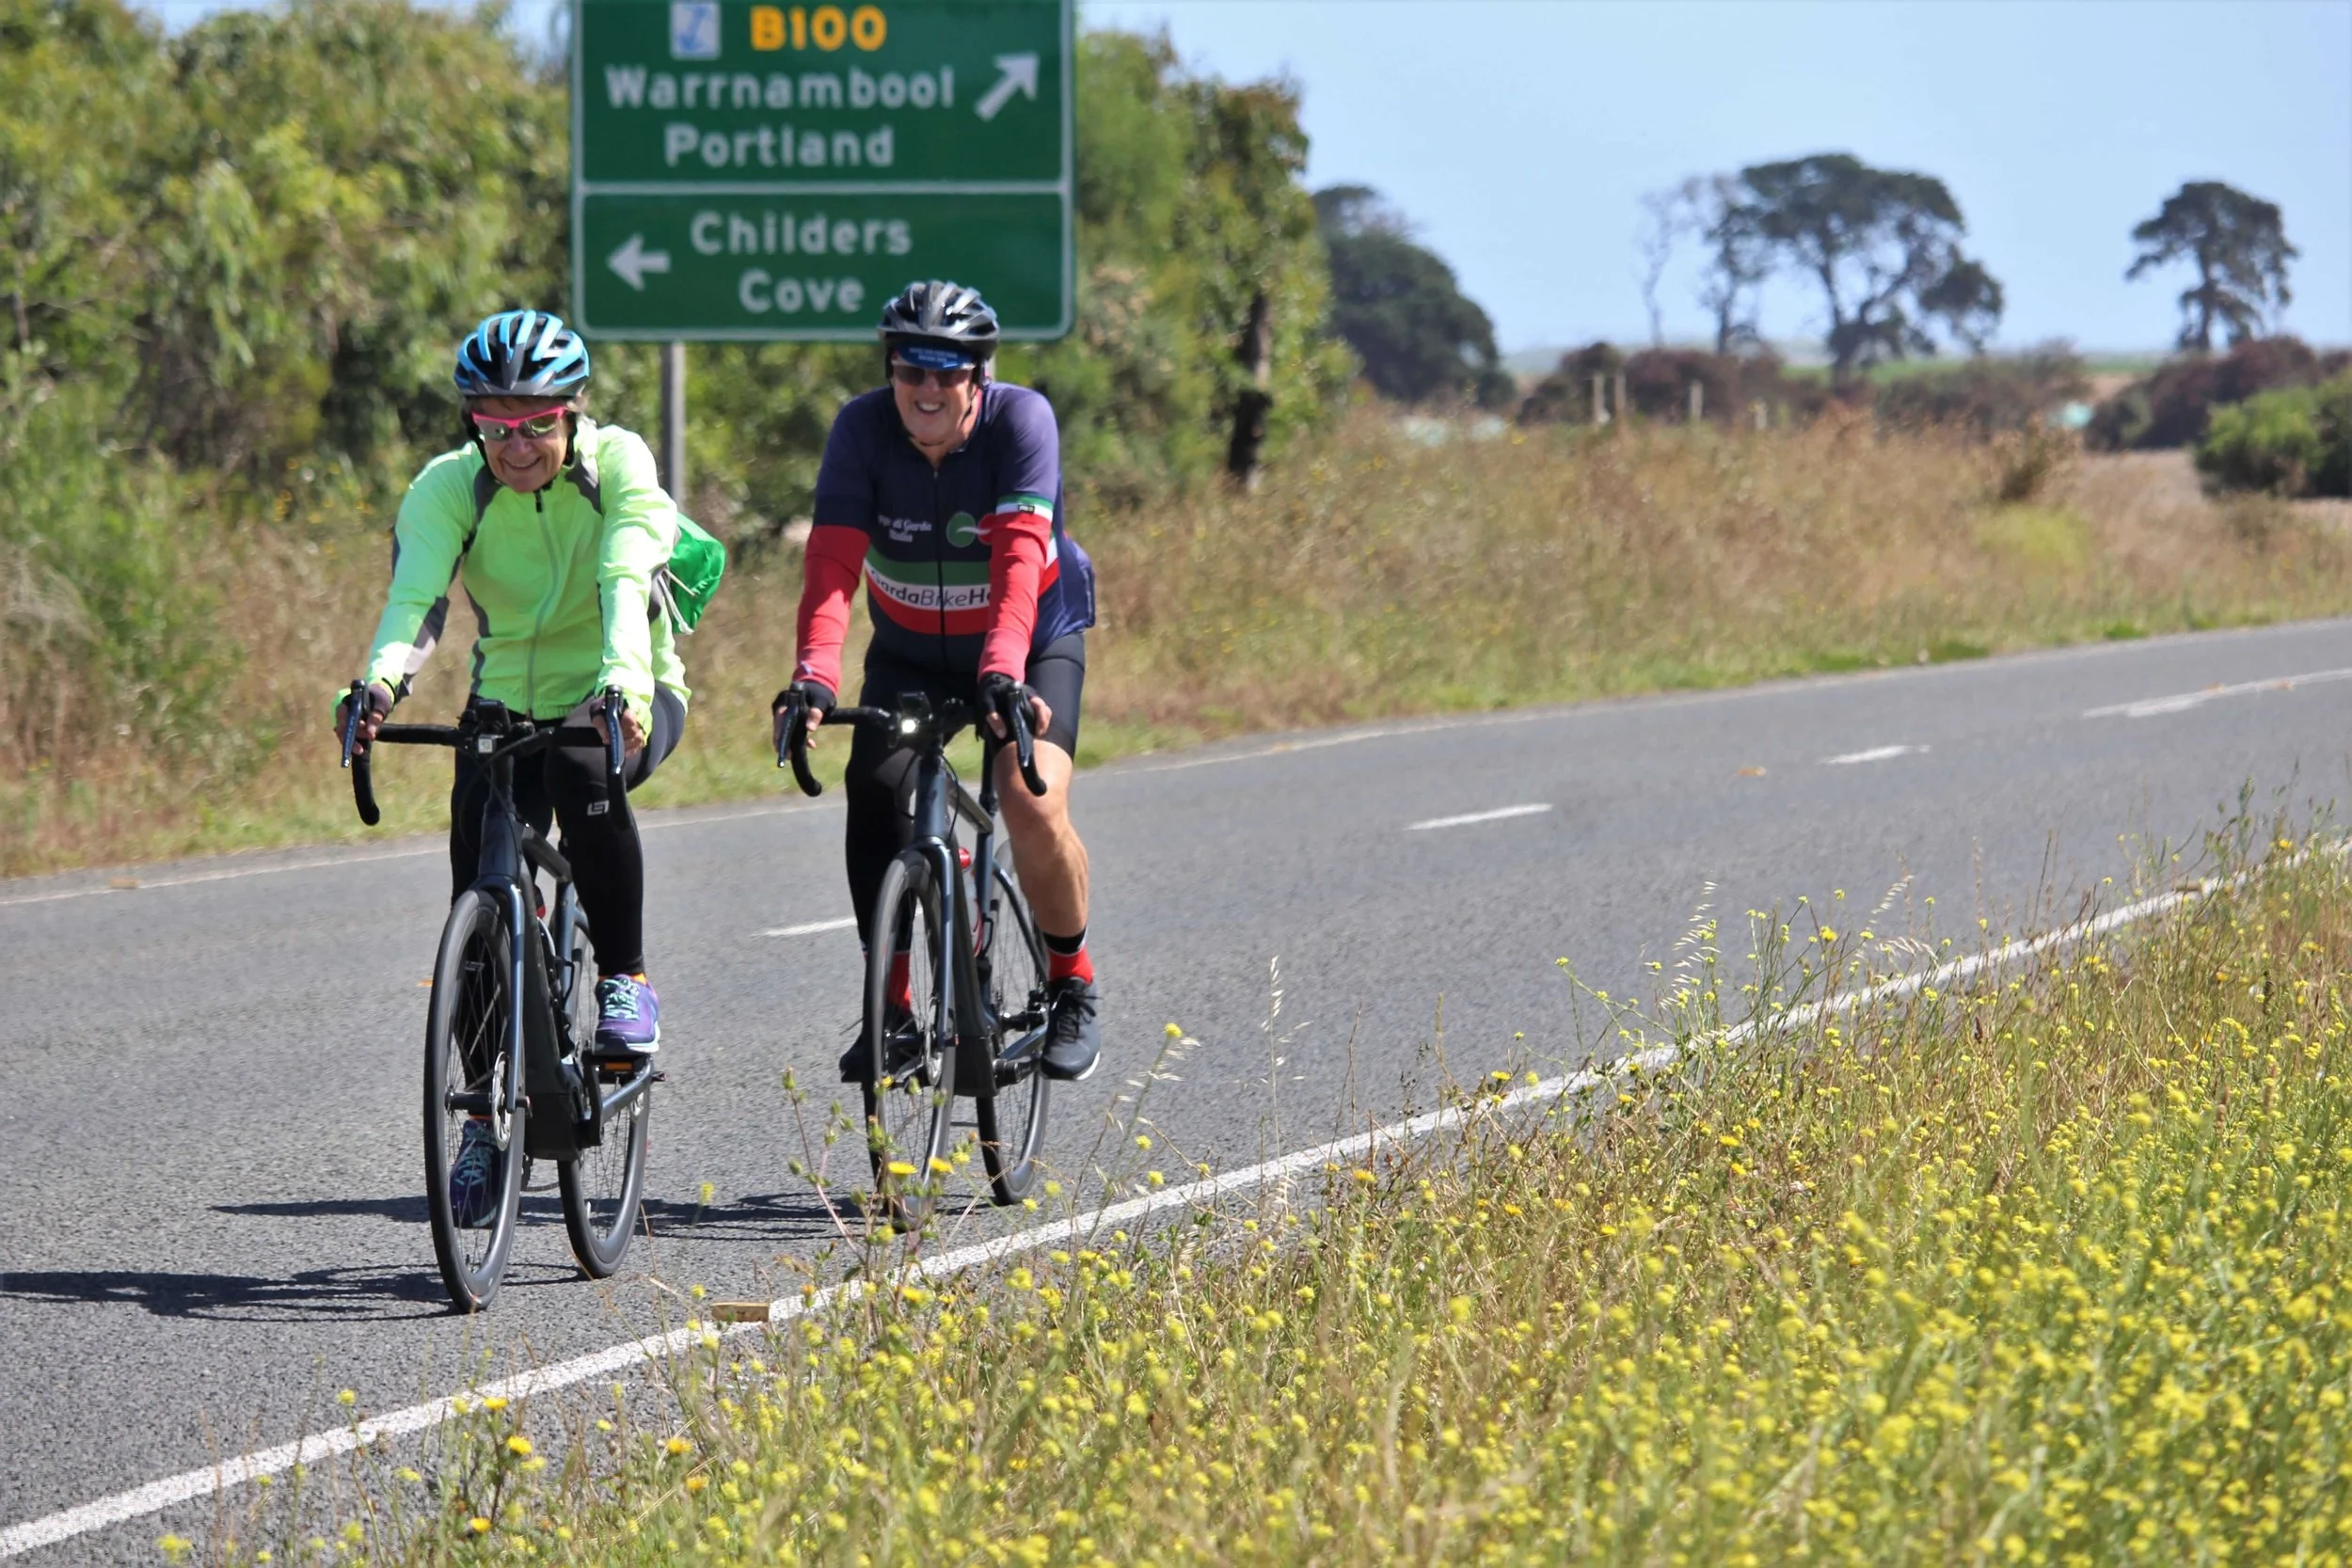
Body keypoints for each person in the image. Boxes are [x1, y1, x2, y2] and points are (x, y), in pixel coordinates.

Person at [337, 309, 690, 1222]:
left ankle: (625, 978)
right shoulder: (449, 488)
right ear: (471, 424)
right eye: (495, 424)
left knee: (580, 772)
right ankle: (482, 1123)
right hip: (505, 698)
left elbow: (624, 578)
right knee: (480, 889)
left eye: (537, 421)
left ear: (573, 412)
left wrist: (623, 687)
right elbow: (417, 600)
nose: (517, 443)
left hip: (623, 686)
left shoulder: (620, 468)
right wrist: (376, 689)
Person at [776, 280, 1104, 1084]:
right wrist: (814, 674)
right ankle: (888, 1006)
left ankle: (1072, 983)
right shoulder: (861, 430)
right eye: (910, 367)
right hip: (910, 650)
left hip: (1029, 643)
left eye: (948, 371)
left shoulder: (1021, 422)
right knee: (873, 783)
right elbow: (831, 567)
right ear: (891, 368)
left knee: (1030, 800)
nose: (927, 388)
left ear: (978, 376)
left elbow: (1024, 558)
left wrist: (1001, 669)